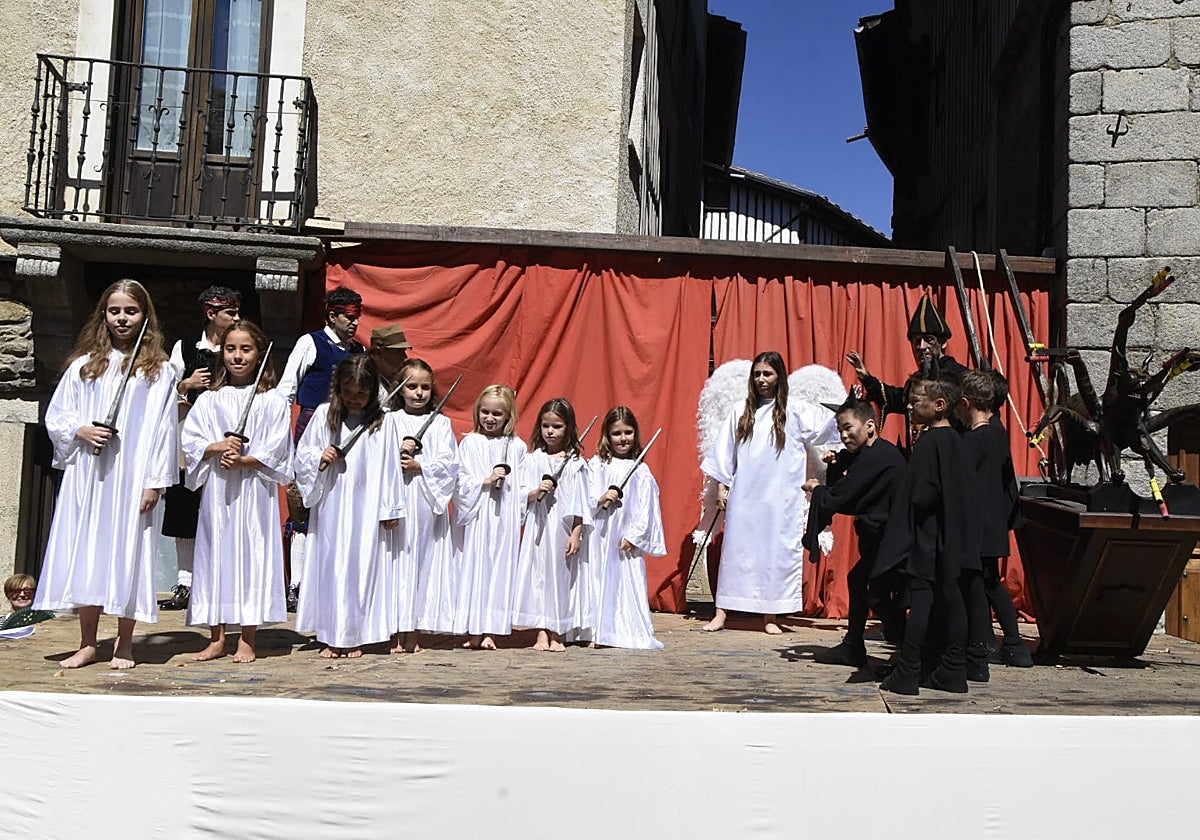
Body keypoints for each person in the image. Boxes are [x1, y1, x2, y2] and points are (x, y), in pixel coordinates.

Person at [34, 279, 178, 669]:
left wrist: (155, 481)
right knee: (90, 553)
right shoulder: (84, 366)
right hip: (91, 476)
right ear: (103, 315)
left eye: (131, 311)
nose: (122, 318)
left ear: (145, 316)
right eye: (114, 311)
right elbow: (58, 416)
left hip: (131, 476)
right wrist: (81, 429)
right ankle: (87, 642)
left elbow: (165, 430)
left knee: (127, 553)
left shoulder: (159, 372)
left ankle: (125, 643)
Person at [700, 351, 839, 634]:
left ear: (779, 377)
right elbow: (724, 451)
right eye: (757, 374)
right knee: (736, 552)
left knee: (775, 553)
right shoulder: (740, 410)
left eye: (768, 374)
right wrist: (723, 486)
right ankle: (722, 612)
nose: (762, 380)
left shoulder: (796, 410)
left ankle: (771, 616)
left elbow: (828, 429)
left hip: (781, 497)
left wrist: (852, 406)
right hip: (745, 495)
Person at [182, 321, 291, 664]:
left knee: (251, 557)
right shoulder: (210, 399)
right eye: (231, 349)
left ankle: (247, 636)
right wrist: (216, 447)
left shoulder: (272, 401)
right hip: (219, 491)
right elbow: (190, 440)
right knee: (216, 556)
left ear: (259, 354)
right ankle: (216, 636)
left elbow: (278, 447)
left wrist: (246, 460)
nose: (238, 356)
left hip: (254, 493)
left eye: (246, 349)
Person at [874, 373, 980, 695]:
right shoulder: (958, 443)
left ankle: (907, 672)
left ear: (939, 405)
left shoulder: (929, 442)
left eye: (916, 399)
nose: (909, 404)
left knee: (920, 602)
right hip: (954, 538)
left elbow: (921, 495)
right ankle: (952, 670)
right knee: (953, 598)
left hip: (929, 538)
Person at [294, 355, 405, 659]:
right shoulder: (322, 416)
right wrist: (321, 455)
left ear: (372, 392)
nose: (355, 399)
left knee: (362, 567)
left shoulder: (384, 422)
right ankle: (331, 633)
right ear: (338, 388)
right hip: (332, 504)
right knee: (331, 565)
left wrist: (391, 508)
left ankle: (355, 633)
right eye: (349, 391)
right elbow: (302, 456)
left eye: (362, 392)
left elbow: (391, 467)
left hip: (366, 508)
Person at [802, 394, 909, 667]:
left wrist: (818, 490)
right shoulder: (870, 454)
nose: (844, 436)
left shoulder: (879, 457)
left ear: (870, 426)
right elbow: (848, 490)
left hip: (894, 541)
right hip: (882, 539)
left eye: (848, 428)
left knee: (877, 594)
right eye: (840, 430)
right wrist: (835, 465)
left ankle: (909, 652)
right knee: (860, 580)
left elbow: (845, 497)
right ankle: (855, 644)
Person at [277, 287, 366, 609]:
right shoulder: (310, 343)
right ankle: (297, 583)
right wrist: (282, 437)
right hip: (312, 428)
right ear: (332, 315)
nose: (355, 323)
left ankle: (330, 578)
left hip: (348, 432)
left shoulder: (359, 350)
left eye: (357, 317)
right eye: (349, 317)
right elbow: (287, 389)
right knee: (302, 502)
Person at [160, 285, 242, 611]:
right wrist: (185, 384)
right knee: (185, 504)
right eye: (230, 313)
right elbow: (163, 391)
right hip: (190, 432)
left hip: (226, 433)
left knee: (223, 503)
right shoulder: (185, 347)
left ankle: (220, 579)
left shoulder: (239, 348)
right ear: (212, 314)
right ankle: (186, 582)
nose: (237, 318)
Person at [955, 370, 1033, 675]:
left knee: (983, 584)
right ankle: (1009, 644)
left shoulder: (977, 439)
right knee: (988, 583)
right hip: (992, 523)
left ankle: (1001, 644)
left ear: (967, 402)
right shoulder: (997, 433)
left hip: (978, 525)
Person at [387, 359, 458, 651]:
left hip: (426, 502)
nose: (419, 393)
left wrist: (420, 465)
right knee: (394, 562)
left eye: (425, 387)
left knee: (421, 563)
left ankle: (413, 631)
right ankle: (392, 629)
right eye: (412, 386)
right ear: (399, 389)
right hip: (397, 499)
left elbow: (450, 464)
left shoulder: (441, 423)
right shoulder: (388, 420)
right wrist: (396, 456)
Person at [452, 384, 529, 650]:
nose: (490, 418)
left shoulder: (516, 447)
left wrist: (524, 494)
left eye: (497, 414)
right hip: (478, 515)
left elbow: (521, 486)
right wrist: (484, 481)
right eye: (485, 412)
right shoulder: (471, 442)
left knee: (498, 570)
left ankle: (492, 630)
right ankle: (473, 628)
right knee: (476, 569)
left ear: (508, 416)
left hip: (503, 517)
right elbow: (460, 480)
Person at [513, 398, 590, 652]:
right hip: (539, 527)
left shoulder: (576, 464)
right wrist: (536, 492)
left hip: (562, 530)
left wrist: (577, 533)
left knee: (561, 578)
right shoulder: (533, 460)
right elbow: (521, 492)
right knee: (538, 578)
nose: (550, 431)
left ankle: (558, 630)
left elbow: (582, 502)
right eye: (545, 425)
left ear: (568, 428)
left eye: (556, 426)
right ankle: (541, 631)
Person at [586, 406, 665, 650]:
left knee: (623, 581)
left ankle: (622, 630)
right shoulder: (597, 464)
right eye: (616, 433)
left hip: (625, 540)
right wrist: (600, 498)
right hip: (600, 535)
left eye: (628, 433)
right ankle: (595, 631)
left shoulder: (640, 470)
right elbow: (585, 494)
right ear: (607, 436)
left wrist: (635, 536)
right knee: (598, 580)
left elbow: (646, 507)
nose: (623, 439)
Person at [846, 293, 967, 436]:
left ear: (943, 342)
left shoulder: (961, 376)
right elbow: (897, 399)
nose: (922, 346)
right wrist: (866, 378)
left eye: (929, 339)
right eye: (917, 341)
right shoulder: (916, 379)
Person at [369, 322, 413, 402]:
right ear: (379, 353)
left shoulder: (393, 381)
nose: (404, 356)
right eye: (399, 351)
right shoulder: (366, 382)